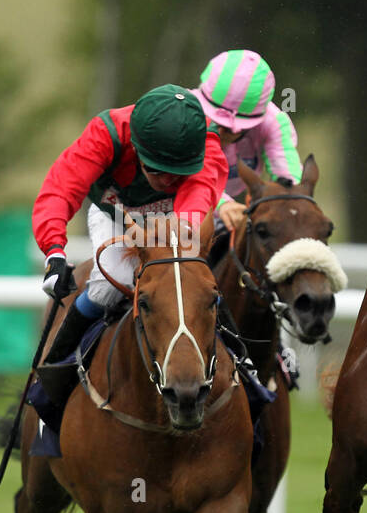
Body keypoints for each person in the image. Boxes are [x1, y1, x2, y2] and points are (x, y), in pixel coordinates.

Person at [34, 83, 229, 366]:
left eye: (179, 174)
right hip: (115, 216)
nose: (168, 182)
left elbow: (196, 203)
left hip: (177, 220)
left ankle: (244, 371)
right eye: (156, 170)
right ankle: (54, 375)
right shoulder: (105, 133)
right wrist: (54, 252)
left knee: (201, 288)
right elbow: (60, 189)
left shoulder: (206, 141)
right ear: (135, 148)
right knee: (109, 285)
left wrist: (165, 232)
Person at [194, 49, 303, 240]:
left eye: (229, 128)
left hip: (231, 200)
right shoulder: (182, 112)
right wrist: (222, 205)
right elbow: (179, 176)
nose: (221, 132)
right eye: (215, 122)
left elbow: (290, 186)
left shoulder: (275, 122)